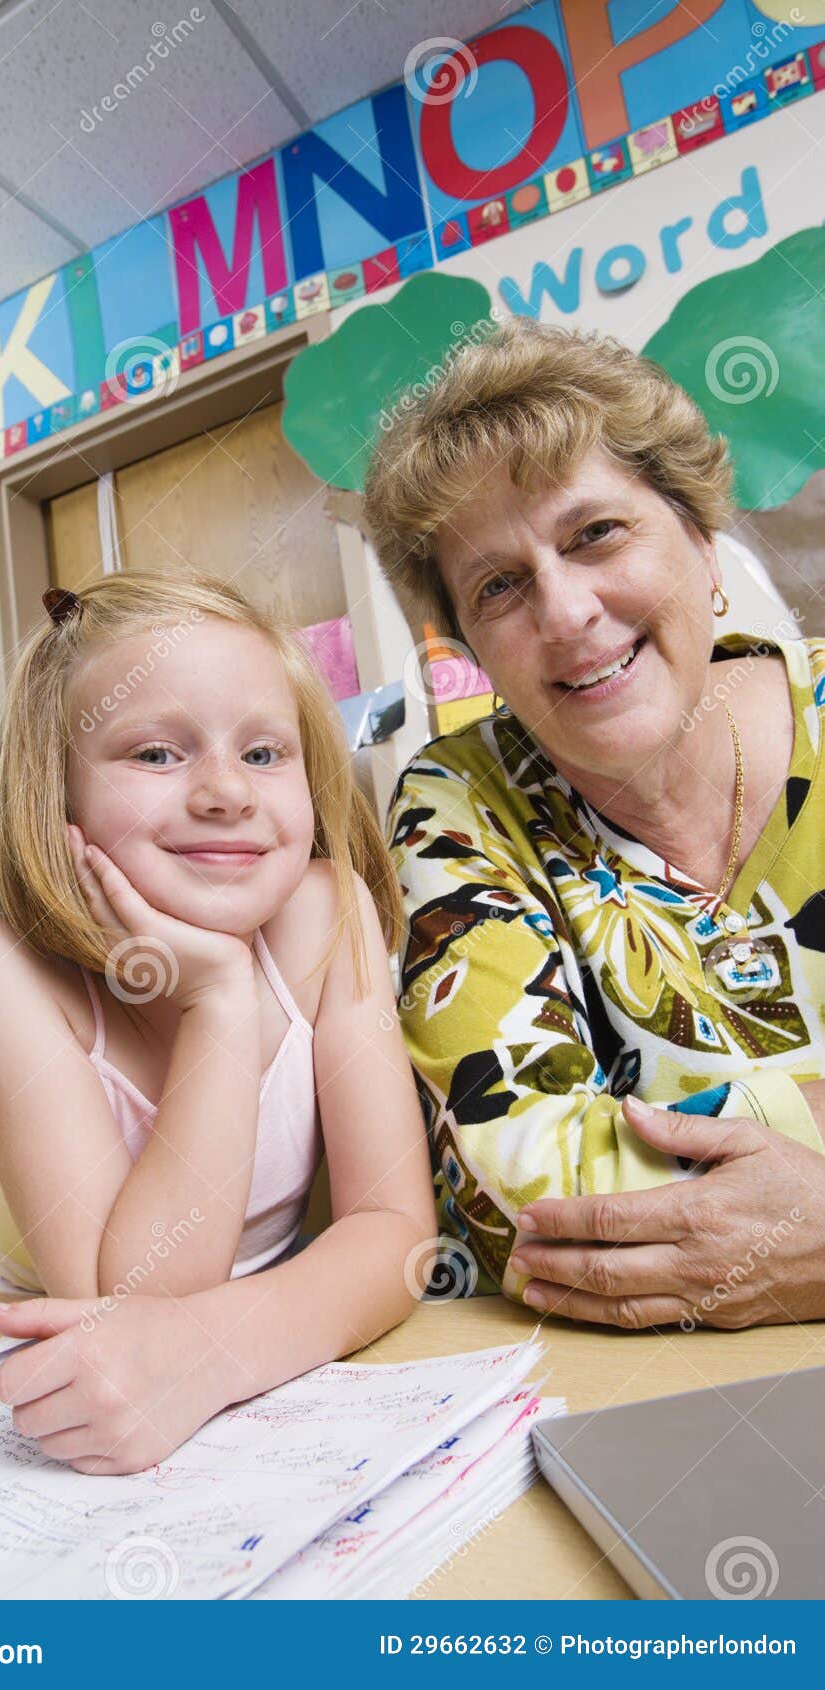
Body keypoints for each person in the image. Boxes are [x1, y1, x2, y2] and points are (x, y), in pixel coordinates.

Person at [365, 317, 825, 1331]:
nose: (565, 613)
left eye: (595, 534)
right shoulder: (460, 802)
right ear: (473, 651)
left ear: (702, 538)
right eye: (499, 585)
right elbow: (518, 1184)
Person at [0, 572, 434, 1473]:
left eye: (263, 753)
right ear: (56, 797)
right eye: (157, 755)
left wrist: (207, 1355)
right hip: (85, 1392)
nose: (224, 793)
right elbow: (123, 1305)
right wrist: (217, 1000)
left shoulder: (329, 908)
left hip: (249, 1372)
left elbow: (396, 1230)